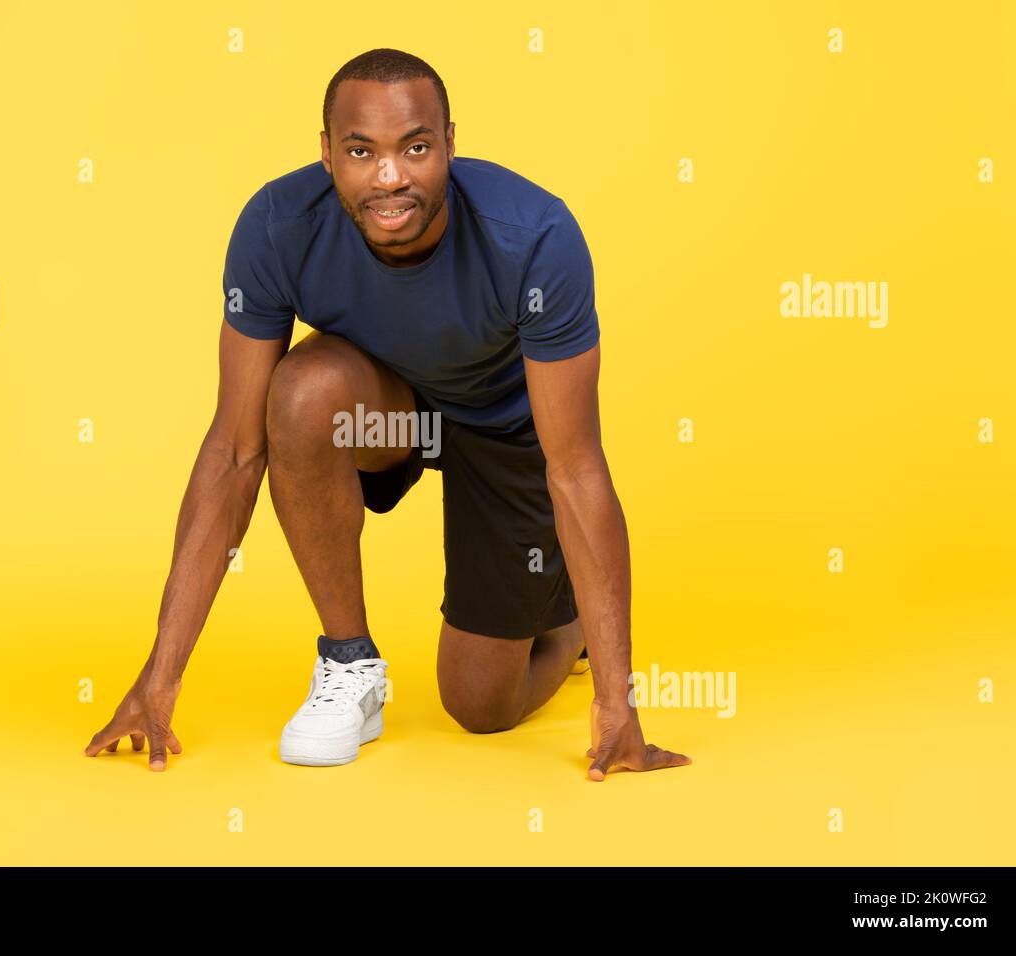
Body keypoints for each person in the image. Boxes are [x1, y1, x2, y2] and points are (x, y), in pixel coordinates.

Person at [85, 48, 691, 781]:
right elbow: (234, 452)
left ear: (450, 146)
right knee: (301, 390)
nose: (390, 177)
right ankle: (350, 665)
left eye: (415, 148)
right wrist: (160, 677)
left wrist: (616, 703)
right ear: (327, 154)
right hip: (390, 414)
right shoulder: (279, 225)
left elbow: (575, 467)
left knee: (479, 705)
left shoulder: (534, 238)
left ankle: (564, 628)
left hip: (504, 428)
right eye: (360, 151)